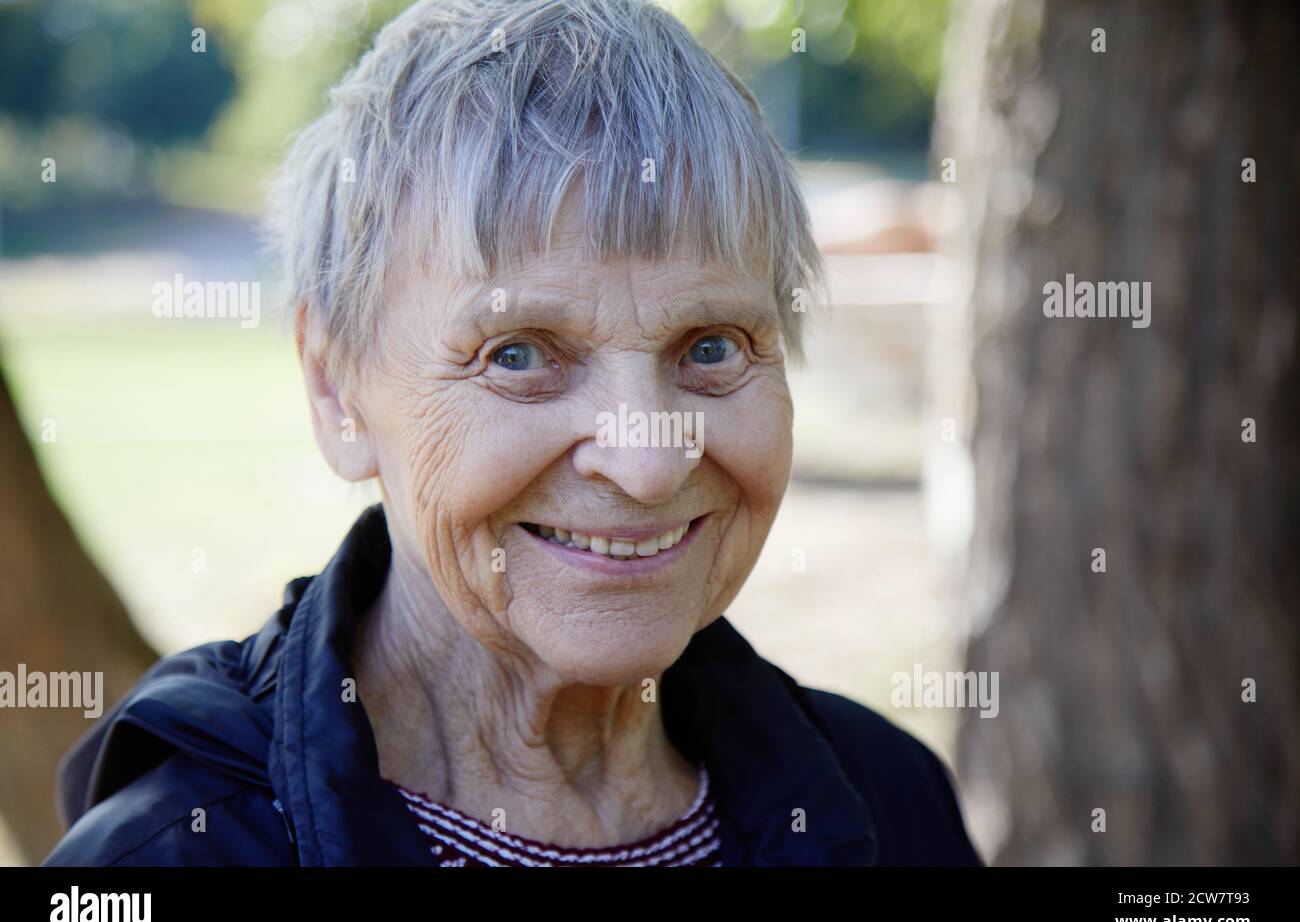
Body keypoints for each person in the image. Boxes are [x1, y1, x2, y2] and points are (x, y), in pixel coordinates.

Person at [45, 0, 981, 867]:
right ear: (336, 389)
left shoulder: (889, 802)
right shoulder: (168, 859)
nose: (649, 461)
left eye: (710, 346)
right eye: (521, 355)